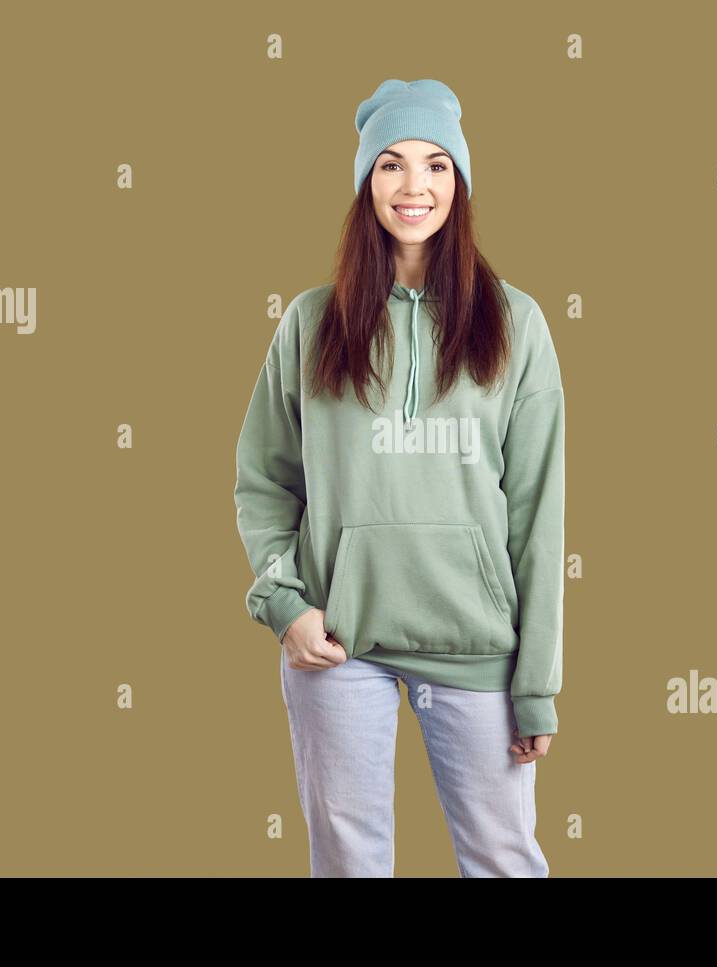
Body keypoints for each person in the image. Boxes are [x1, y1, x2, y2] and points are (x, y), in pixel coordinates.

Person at [233, 78, 565, 877]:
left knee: (504, 860)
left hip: (478, 647)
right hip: (340, 647)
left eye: (436, 166)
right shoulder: (311, 322)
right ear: (364, 184)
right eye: (390, 165)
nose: (413, 187)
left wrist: (537, 685)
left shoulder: (515, 322)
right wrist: (286, 606)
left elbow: (538, 512)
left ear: (461, 183)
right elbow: (262, 481)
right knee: (349, 866)